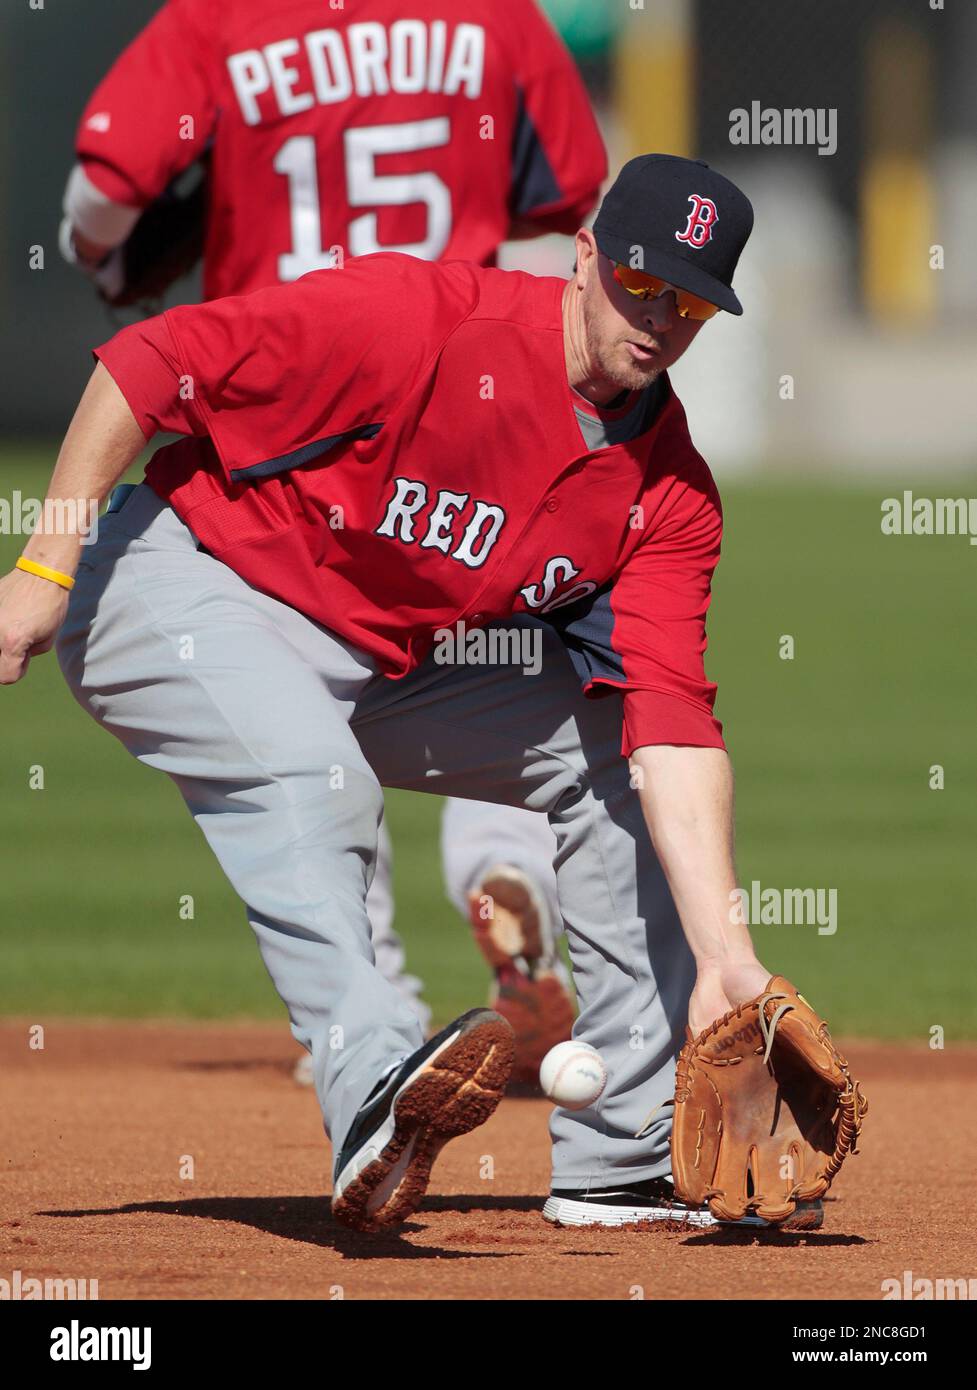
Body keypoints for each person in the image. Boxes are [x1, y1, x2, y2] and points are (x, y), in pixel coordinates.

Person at [1, 154, 780, 1231]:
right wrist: (44, 567)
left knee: (614, 740)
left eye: (688, 301)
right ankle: (371, 1087)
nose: (656, 318)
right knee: (316, 781)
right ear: (585, 257)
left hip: (381, 658)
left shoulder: (669, 491)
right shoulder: (418, 319)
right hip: (173, 576)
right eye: (639, 283)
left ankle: (623, 1154)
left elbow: (673, 724)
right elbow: (150, 357)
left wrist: (729, 960)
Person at [58, 0, 609, 1080]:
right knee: (474, 643)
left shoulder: (218, 20)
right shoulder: (497, 19)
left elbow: (101, 197)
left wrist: (111, 255)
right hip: (470, 389)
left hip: (288, 404)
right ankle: (507, 875)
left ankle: (375, 1009)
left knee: (306, 687)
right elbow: (565, 216)